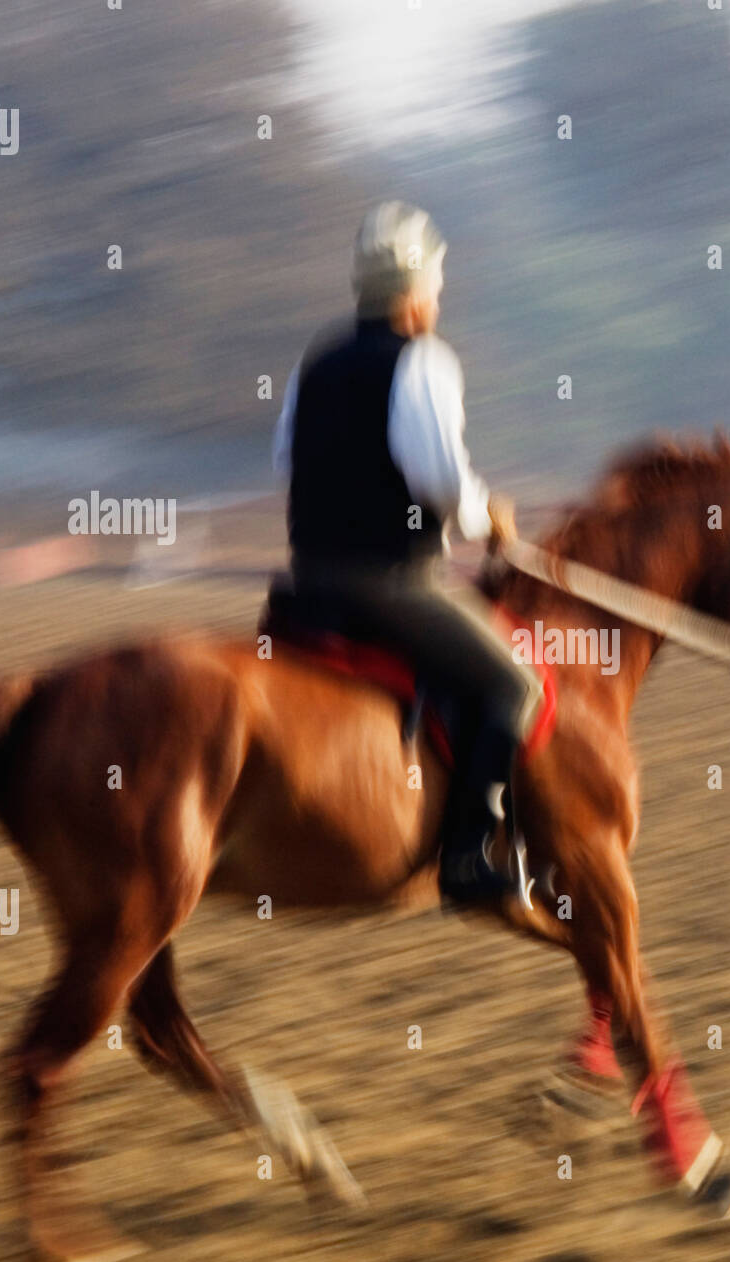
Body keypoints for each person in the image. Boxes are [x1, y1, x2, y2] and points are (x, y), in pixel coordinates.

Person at [271, 201, 541, 904]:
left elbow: (284, 459)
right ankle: (466, 857)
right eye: (438, 284)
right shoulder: (423, 362)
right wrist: (490, 520)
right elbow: (441, 482)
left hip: (306, 586)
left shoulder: (317, 361)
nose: (439, 299)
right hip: (391, 586)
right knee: (516, 686)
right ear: (416, 291)